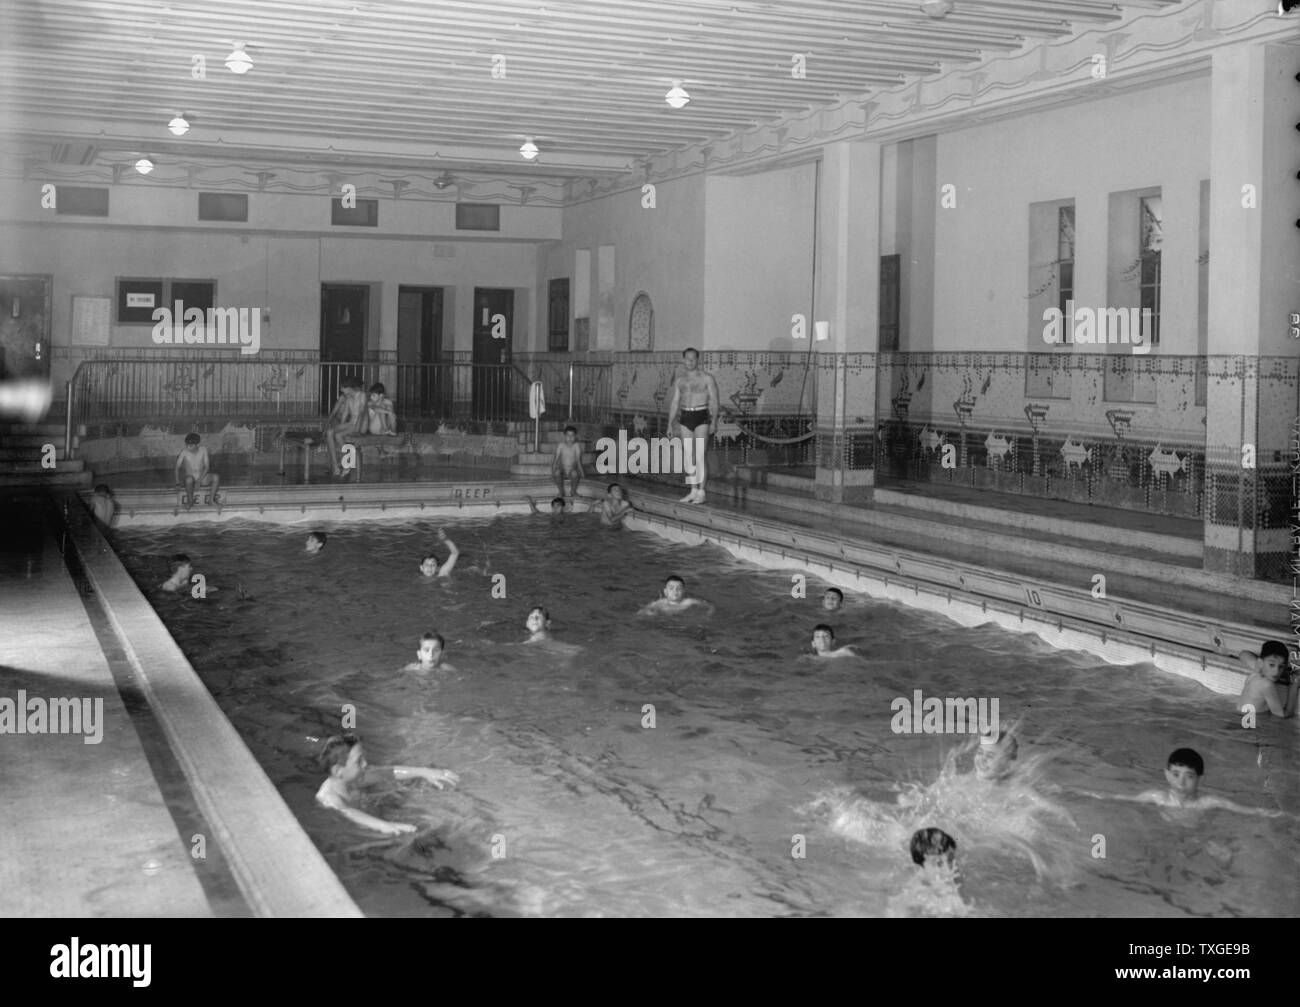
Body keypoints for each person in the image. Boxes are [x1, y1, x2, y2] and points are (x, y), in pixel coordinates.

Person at [315, 734, 459, 836]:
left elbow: (387, 772)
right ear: (338, 770)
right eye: (359, 761)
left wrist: (424, 771)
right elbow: (347, 812)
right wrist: (385, 826)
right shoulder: (328, 797)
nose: (365, 764)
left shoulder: (353, 779)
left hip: (368, 813)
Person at [1086, 748, 1283, 815]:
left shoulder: (1208, 803)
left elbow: (1252, 812)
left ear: (1199, 779)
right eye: (1176, 774)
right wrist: (1076, 792)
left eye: (1189, 776)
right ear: (1166, 774)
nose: (1181, 782)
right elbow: (1116, 798)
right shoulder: (1158, 797)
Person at [666, 347, 719, 504]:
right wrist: (670, 424)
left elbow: (714, 401)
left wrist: (714, 421)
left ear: (697, 360)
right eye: (687, 358)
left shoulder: (706, 378)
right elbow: (675, 402)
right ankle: (693, 490)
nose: (690, 361)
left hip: (701, 416)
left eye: (693, 358)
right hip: (685, 417)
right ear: (683, 360)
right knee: (689, 456)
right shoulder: (680, 381)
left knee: (700, 455)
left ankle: (701, 492)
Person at [1237, 641, 1297, 718]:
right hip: (1252, 721)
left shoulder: (1256, 671)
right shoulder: (1267, 684)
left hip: (1241, 716)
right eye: (1272, 665)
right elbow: (1282, 715)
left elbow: (1242, 654)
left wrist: (1261, 666)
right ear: (1260, 662)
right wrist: (1294, 685)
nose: (1276, 672)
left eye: (1281, 667)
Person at [325, 377, 367, 478]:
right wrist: (340, 426)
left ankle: (348, 463)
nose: (341, 390)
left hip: (360, 424)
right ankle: (336, 467)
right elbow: (345, 413)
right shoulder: (347, 397)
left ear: (349, 388)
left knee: (339, 435)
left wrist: (356, 430)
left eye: (342, 388)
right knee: (330, 432)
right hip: (351, 423)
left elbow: (362, 413)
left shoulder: (362, 395)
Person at [174, 432, 222, 511]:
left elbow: (207, 467)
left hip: (201, 478)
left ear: (197, 445)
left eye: (191, 445)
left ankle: (211, 500)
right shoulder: (184, 452)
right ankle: (190, 501)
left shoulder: (203, 450)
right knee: (189, 479)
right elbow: (177, 468)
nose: (188, 447)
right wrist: (177, 482)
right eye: (187, 445)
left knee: (216, 477)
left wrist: (199, 481)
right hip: (190, 479)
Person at [638, 574, 711, 616]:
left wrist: (709, 613)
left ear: (683, 591)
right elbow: (642, 611)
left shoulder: (688, 602)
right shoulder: (660, 603)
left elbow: (709, 606)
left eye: (678, 588)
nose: (675, 591)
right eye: (671, 588)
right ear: (665, 592)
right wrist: (649, 613)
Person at [552, 426, 584, 503]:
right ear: (564, 436)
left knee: (574, 473)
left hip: (572, 470)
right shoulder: (561, 445)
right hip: (562, 469)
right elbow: (555, 460)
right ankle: (561, 491)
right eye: (568, 435)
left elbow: (578, 461)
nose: (570, 438)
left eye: (572, 435)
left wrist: (582, 473)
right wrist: (553, 472)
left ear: (575, 436)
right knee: (556, 472)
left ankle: (573, 492)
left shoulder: (576, 446)